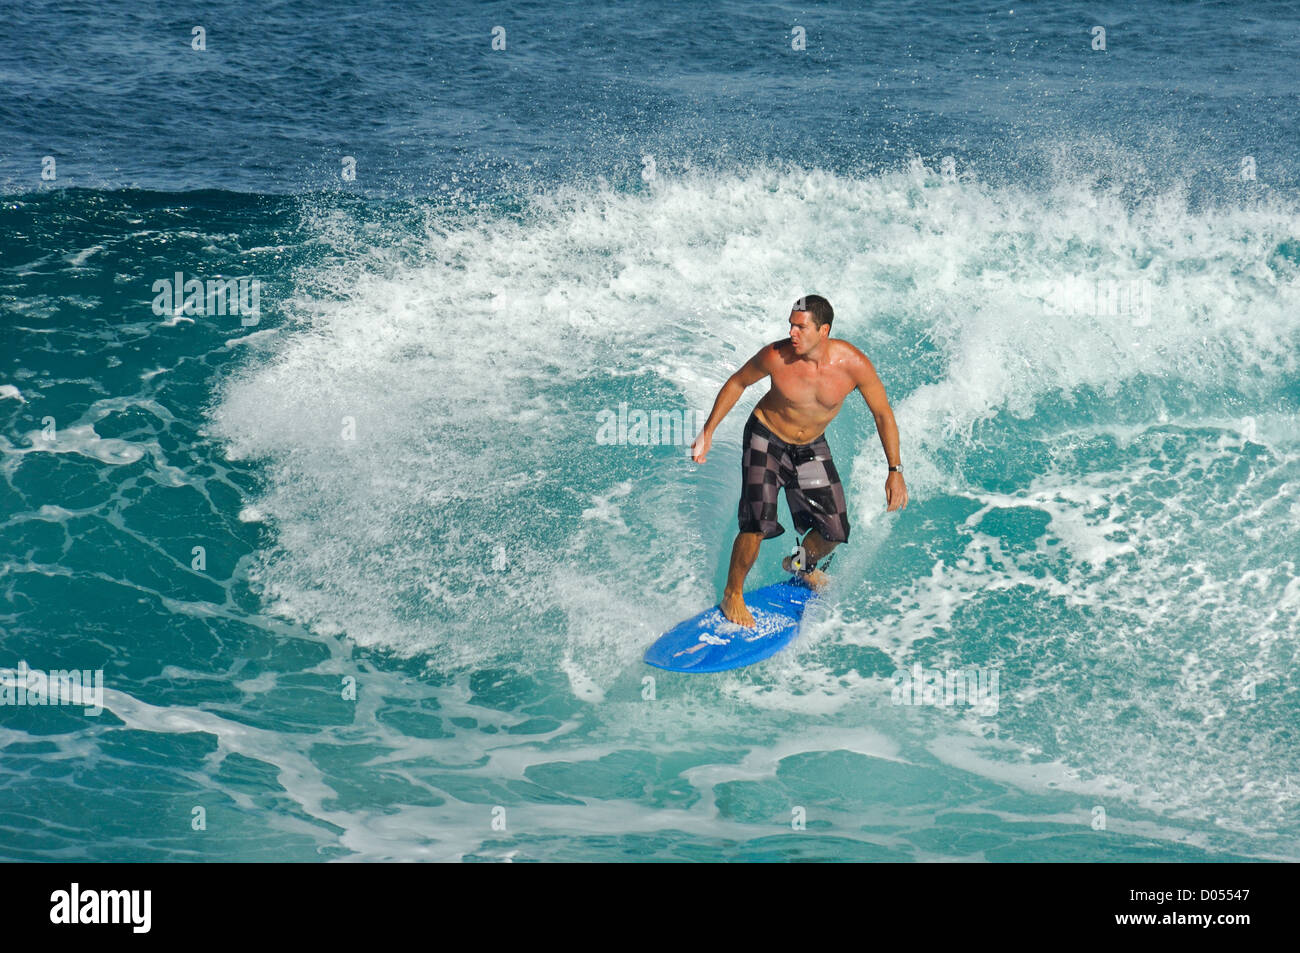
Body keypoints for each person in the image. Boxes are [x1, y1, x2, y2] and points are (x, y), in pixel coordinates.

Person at [690, 296, 907, 627]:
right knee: (757, 522)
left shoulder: (853, 365)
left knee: (834, 530)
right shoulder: (776, 356)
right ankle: (732, 594)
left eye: (800, 327)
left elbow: (882, 413)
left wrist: (895, 470)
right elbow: (738, 382)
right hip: (766, 437)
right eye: (790, 324)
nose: (791, 332)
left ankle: (800, 565)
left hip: (810, 445)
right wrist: (708, 431)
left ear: (823, 330)